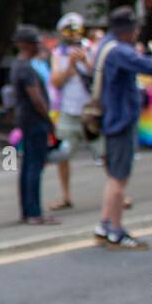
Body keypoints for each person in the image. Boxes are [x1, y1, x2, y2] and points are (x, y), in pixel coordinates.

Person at [93, 7, 152, 248]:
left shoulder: (105, 45)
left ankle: (104, 225)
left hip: (111, 118)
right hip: (121, 120)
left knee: (114, 176)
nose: (137, 32)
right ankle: (116, 230)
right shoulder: (120, 51)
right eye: (134, 28)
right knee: (119, 179)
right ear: (126, 30)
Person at [9, 25, 58, 225]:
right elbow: (36, 98)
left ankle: (27, 210)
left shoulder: (18, 65)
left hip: (26, 120)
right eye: (35, 43)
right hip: (34, 121)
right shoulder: (26, 69)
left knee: (28, 165)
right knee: (35, 167)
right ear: (25, 45)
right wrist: (49, 120)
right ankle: (34, 212)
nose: (39, 46)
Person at [48, 12, 95, 210]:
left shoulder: (91, 49)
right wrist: (70, 67)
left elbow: (100, 75)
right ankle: (66, 196)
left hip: (91, 109)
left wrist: (85, 61)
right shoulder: (59, 54)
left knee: (104, 153)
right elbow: (55, 81)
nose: (72, 36)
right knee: (63, 155)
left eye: (75, 31)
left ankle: (120, 192)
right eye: (69, 32)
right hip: (68, 109)